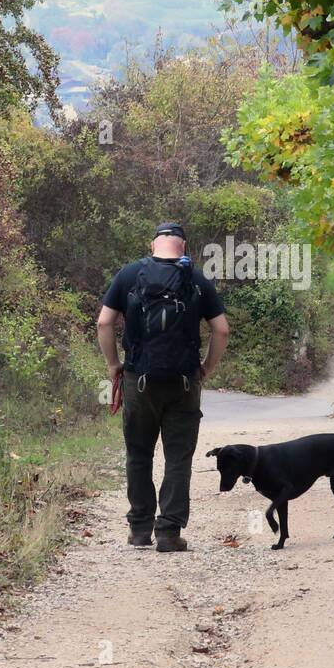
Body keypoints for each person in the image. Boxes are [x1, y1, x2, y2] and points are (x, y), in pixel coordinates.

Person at [97, 221, 230, 552]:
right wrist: (206, 369)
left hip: (138, 380)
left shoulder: (128, 275)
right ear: (184, 247)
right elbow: (222, 330)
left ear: (152, 244)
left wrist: (114, 366)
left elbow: (103, 322)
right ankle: (169, 532)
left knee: (139, 454)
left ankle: (140, 529)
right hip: (184, 382)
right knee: (178, 459)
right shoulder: (196, 279)